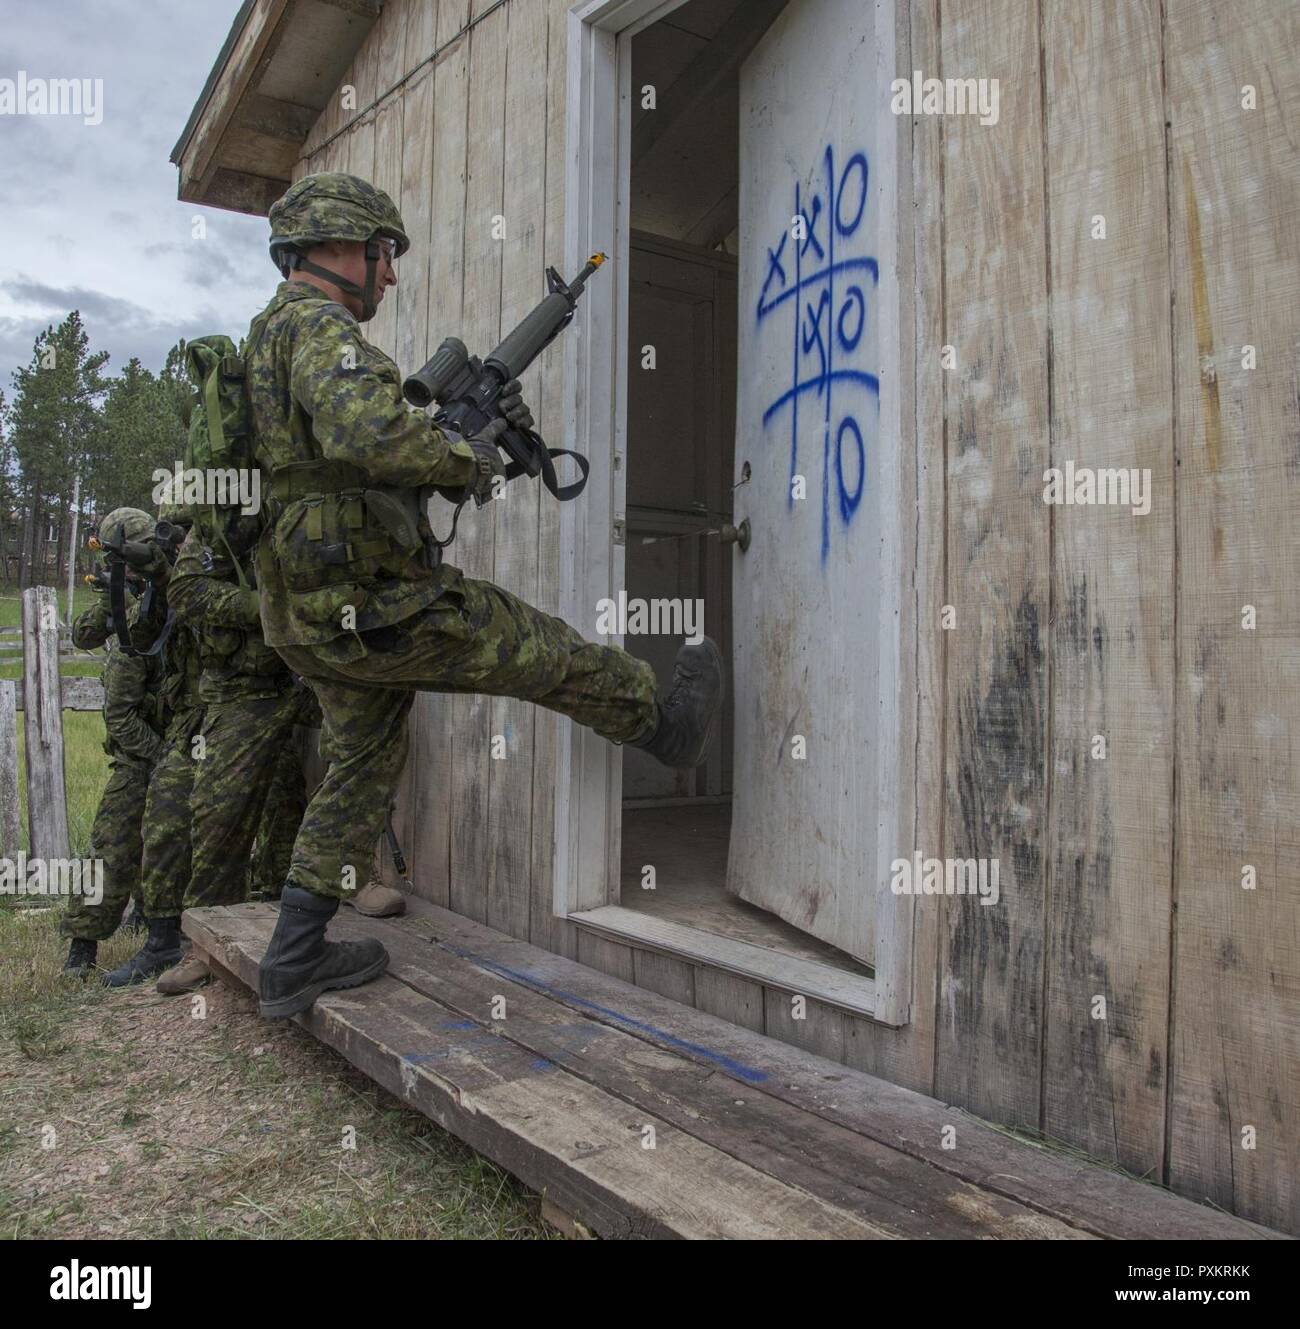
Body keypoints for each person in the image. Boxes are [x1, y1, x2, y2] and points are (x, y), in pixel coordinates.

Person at [243, 172, 723, 1019]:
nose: (388, 274)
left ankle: (291, 958)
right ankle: (668, 725)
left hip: (308, 611)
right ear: (334, 247)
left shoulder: (269, 336)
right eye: (381, 254)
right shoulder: (318, 329)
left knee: (359, 759)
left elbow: (336, 462)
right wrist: (463, 459)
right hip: (377, 609)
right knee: (542, 650)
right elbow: (368, 432)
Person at [60, 510, 167, 974]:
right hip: (141, 755)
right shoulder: (124, 617)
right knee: (113, 844)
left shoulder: (175, 585)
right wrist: (115, 602)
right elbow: (120, 718)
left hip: (179, 743)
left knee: (166, 844)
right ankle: (82, 948)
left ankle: (152, 917)